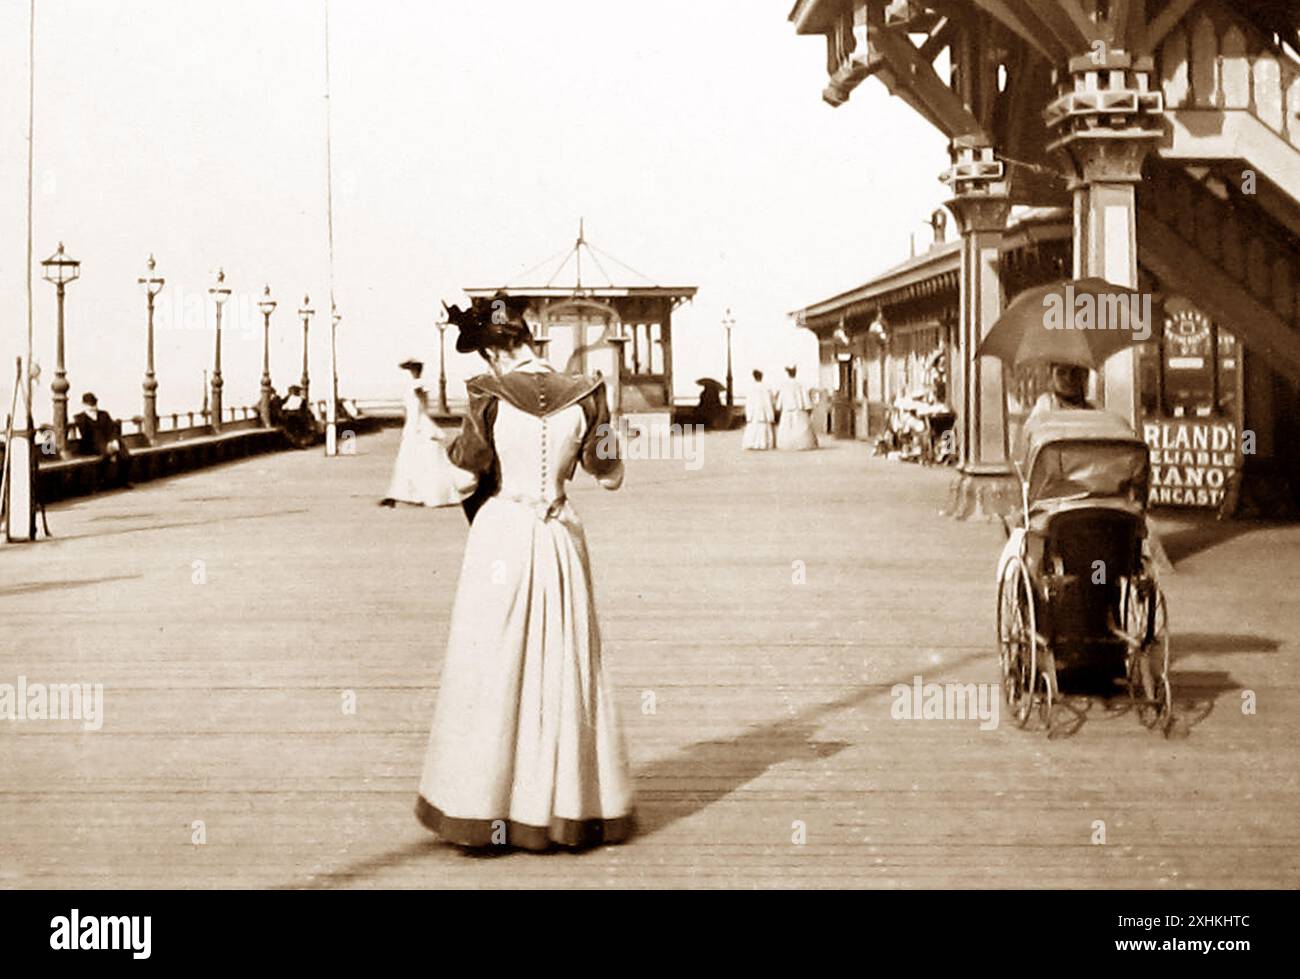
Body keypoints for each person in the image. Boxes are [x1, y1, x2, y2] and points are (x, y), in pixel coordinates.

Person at [414, 295, 634, 851]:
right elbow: (608, 474)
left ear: (493, 350)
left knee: (492, 659)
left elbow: (467, 466)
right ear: (529, 338)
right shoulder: (588, 391)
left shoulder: (487, 394)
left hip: (503, 536)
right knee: (563, 662)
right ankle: (565, 811)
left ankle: (484, 808)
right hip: (559, 532)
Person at [380, 358, 473, 508]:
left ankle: (406, 495)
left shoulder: (417, 385)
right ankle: (403, 494)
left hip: (418, 426)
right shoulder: (415, 385)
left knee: (416, 460)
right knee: (417, 460)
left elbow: (419, 403)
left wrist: (414, 421)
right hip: (416, 425)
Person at [73, 393, 131, 488]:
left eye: (94, 404)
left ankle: (123, 480)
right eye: (90, 404)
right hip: (92, 445)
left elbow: (113, 429)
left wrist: (114, 441)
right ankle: (101, 481)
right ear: (84, 405)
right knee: (105, 456)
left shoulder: (104, 414)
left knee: (126, 456)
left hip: (109, 442)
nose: (92, 407)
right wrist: (106, 446)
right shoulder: (80, 418)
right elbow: (86, 435)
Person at [775, 366, 819, 451]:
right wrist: (808, 407)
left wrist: (779, 407)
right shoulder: (800, 385)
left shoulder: (784, 385)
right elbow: (805, 398)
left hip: (787, 410)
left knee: (787, 428)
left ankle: (786, 444)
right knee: (801, 426)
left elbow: (781, 399)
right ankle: (802, 444)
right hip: (799, 410)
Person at [742, 369, 775, 450]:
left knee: (753, 427)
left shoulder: (750, 388)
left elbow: (748, 402)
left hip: (754, 411)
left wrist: (748, 413)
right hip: (764, 411)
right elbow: (771, 401)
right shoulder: (767, 388)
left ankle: (752, 443)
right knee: (764, 428)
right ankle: (764, 444)